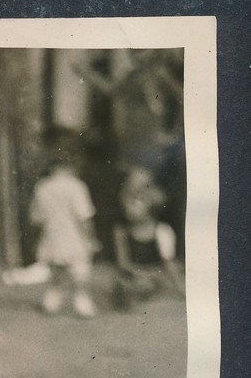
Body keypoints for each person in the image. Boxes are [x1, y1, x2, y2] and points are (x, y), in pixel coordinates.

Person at [30, 128, 98, 320]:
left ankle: (52, 301)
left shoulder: (42, 187)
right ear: (72, 164)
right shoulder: (77, 187)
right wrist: (91, 238)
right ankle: (82, 301)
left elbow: (36, 218)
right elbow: (84, 216)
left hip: (52, 235)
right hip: (74, 236)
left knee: (56, 271)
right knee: (80, 270)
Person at [110, 164, 184, 309]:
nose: (129, 208)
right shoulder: (121, 231)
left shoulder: (161, 230)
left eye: (136, 203)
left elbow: (168, 263)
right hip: (133, 273)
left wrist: (181, 290)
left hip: (156, 274)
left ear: (150, 205)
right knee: (121, 283)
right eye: (127, 203)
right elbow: (123, 262)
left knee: (146, 285)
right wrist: (137, 274)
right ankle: (128, 295)